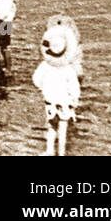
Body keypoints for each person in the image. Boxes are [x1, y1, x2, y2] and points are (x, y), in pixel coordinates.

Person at [33, 23, 82, 156]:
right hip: (65, 103)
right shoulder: (68, 69)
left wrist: (42, 88)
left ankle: (49, 151)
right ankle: (61, 153)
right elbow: (74, 86)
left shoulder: (44, 65)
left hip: (50, 101)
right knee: (63, 129)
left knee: (51, 126)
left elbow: (36, 79)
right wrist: (75, 99)